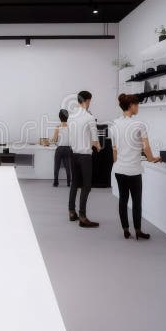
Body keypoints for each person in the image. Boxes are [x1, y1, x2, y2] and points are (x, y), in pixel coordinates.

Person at [110, 93, 161, 240]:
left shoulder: (114, 125)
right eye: (137, 104)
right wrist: (152, 159)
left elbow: (114, 150)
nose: (138, 107)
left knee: (123, 199)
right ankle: (138, 231)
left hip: (119, 169)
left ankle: (126, 230)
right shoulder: (139, 124)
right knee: (136, 201)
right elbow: (146, 147)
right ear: (131, 106)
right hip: (133, 170)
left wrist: (117, 164)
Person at [67, 90, 101, 228]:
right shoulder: (89, 117)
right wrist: (98, 146)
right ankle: (82, 217)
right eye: (90, 101)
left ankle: (71, 212)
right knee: (86, 186)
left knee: (75, 183)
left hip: (73, 154)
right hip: (85, 156)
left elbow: (71, 135)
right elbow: (95, 140)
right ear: (87, 101)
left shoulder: (71, 117)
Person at [51, 109, 71, 187]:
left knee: (57, 166)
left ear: (59, 117)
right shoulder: (70, 127)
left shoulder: (58, 128)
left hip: (59, 149)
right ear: (67, 117)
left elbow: (54, 140)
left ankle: (56, 182)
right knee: (68, 167)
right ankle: (69, 182)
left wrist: (51, 140)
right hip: (68, 149)